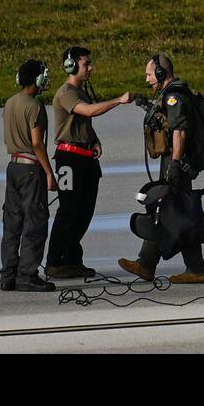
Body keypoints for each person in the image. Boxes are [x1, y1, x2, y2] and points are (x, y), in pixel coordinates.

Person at [119, 52, 204, 285]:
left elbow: (179, 131)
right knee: (173, 211)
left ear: (161, 73)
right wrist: (144, 105)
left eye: (150, 74)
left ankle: (152, 264)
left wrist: (176, 166)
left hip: (175, 162)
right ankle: (154, 264)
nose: (147, 78)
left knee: (168, 210)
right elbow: (166, 122)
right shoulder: (169, 95)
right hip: (173, 161)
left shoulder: (174, 97)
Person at [44, 46, 130, 280]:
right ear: (72, 66)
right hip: (69, 160)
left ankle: (72, 259)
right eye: (86, 64)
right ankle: (55, 261)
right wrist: (118, 101)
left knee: (83, 212)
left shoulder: (80, 90)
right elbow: (89, 111)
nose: (91, 68)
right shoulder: (66, 93)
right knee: (68, 210)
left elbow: (83, 122)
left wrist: (94, 139)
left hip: (84, 159)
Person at [1, 59, 57, 292]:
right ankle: (27, 275)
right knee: (34, 223)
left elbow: (7, 139)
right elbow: (36, 143)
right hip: (31, 169)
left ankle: (8, 275)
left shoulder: (10, 103)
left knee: (12, 223)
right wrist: (49, 173)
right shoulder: (34, 106)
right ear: (38, 79)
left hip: (13, 166)